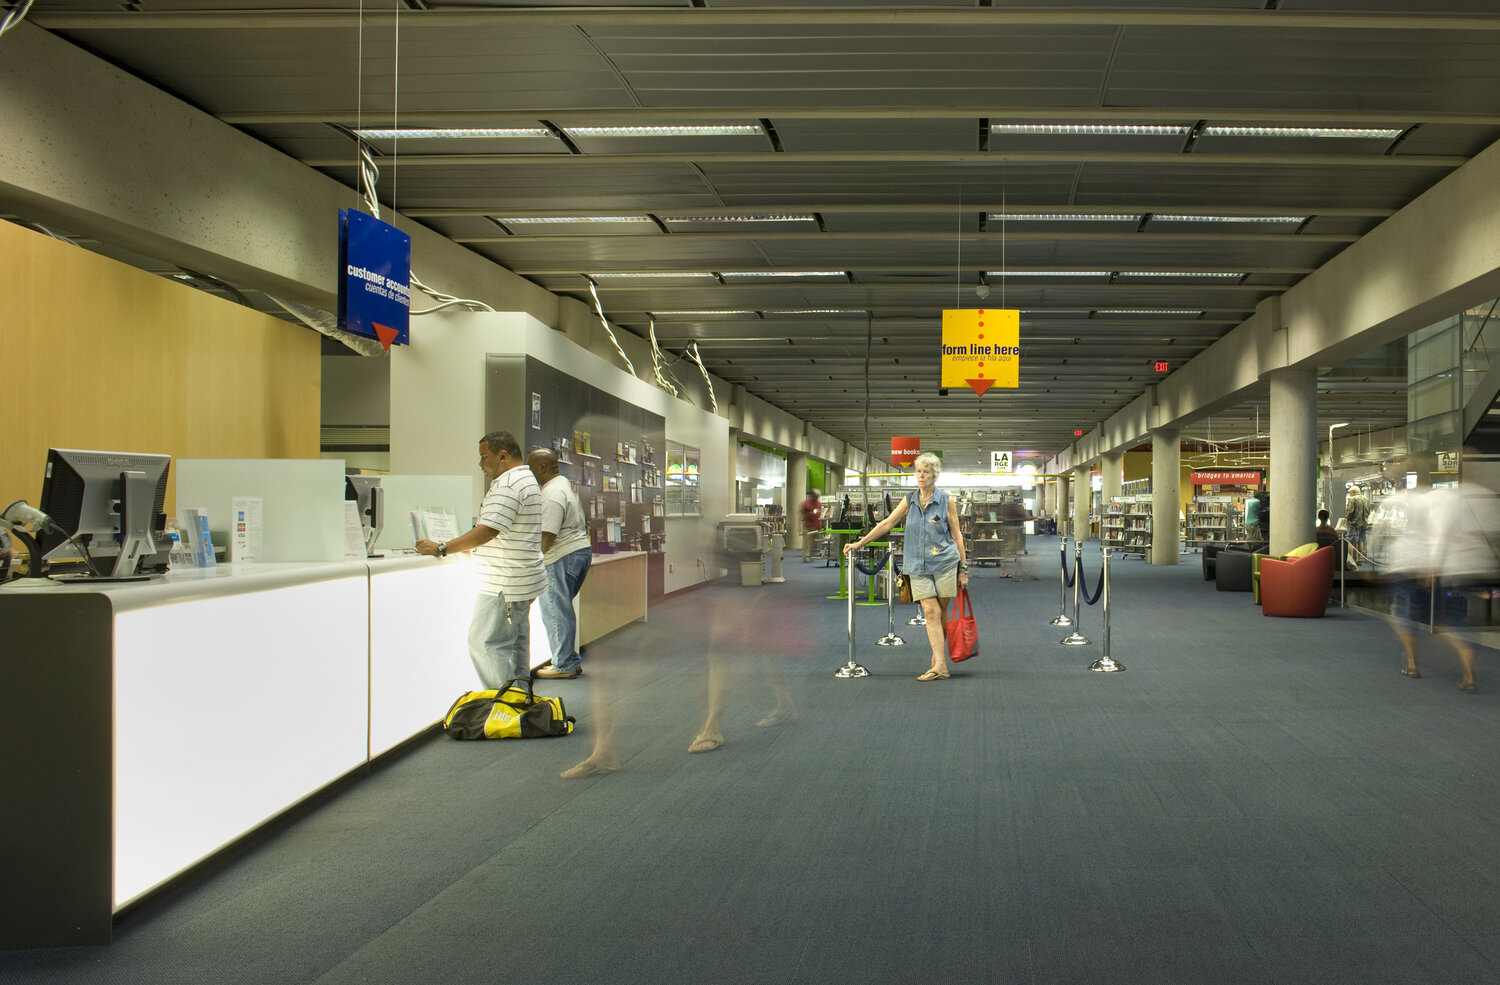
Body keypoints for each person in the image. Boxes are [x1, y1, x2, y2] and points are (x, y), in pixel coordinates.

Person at [416, 430, 544, 689]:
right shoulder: (526, 479)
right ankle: (518, 699)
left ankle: (503, 702)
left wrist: (444, 547)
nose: (480, 464)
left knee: (486, 642)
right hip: (520, 579)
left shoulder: (508, 485)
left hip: (503, 583)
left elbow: (488, 530)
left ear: (503, 455)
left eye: (484, 457)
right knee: (516, 643)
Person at [843, 452, 968, 681]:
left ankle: (937, 661)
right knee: (930, 611)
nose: (921, 475)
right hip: (916, 565)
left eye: (926, 472)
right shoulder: (909, 499)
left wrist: (963, 569)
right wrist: (860, 542)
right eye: (918, 471)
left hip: (944, 563)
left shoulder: (946, 500)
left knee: (941, 615)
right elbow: (887, 523)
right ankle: (941, 666)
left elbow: (957, 535)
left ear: (934, 475)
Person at [528, 448, 593, 680]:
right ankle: (570, 660)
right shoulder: (565, 486)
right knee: (563, 609)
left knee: (555, 610)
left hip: (561, 556)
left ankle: (563, 664)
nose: (530, 473)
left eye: (531, 468)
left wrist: (532, 563)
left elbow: (548, 535)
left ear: (542, 468)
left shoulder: (551, 493)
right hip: (578, 552)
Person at [1345, 485, 1371, 565]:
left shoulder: (1352, 499)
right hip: (1364, 523)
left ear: (1353, 492)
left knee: (1351, 540)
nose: (1349, 494)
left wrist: (1347, 519)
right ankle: (1359, 559)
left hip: (1354, 523)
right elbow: (1368, 511)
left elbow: (1350, 511)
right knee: (1361, 541)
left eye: (1350, 492)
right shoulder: (1366, 499)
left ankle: (1350, 559)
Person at [800, 487, 823, 562]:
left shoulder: (819, 504)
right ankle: (806, 556)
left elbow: (821, 515)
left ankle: (812, 555)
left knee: (815, 543)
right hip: (808, 526)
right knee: (807, 543)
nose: (817, 498)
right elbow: (801, 514)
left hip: (816, 526)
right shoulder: (805, 503)